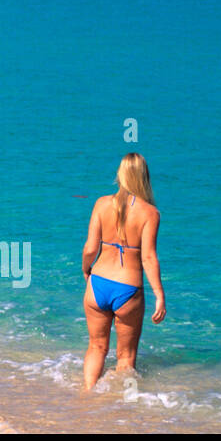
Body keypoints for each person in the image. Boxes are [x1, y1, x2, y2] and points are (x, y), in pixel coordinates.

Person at [81, 152, 166, 391]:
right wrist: (159, 295)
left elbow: (90, 248)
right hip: (128, 289)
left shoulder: (101, 203)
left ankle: (86, 395)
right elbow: (148, 257)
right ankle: (120, 413)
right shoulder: (150, 213)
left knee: (96, 347)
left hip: (97, 284)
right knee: (126, 357)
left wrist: (86, 269)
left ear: (120, 175)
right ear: (143, 177)